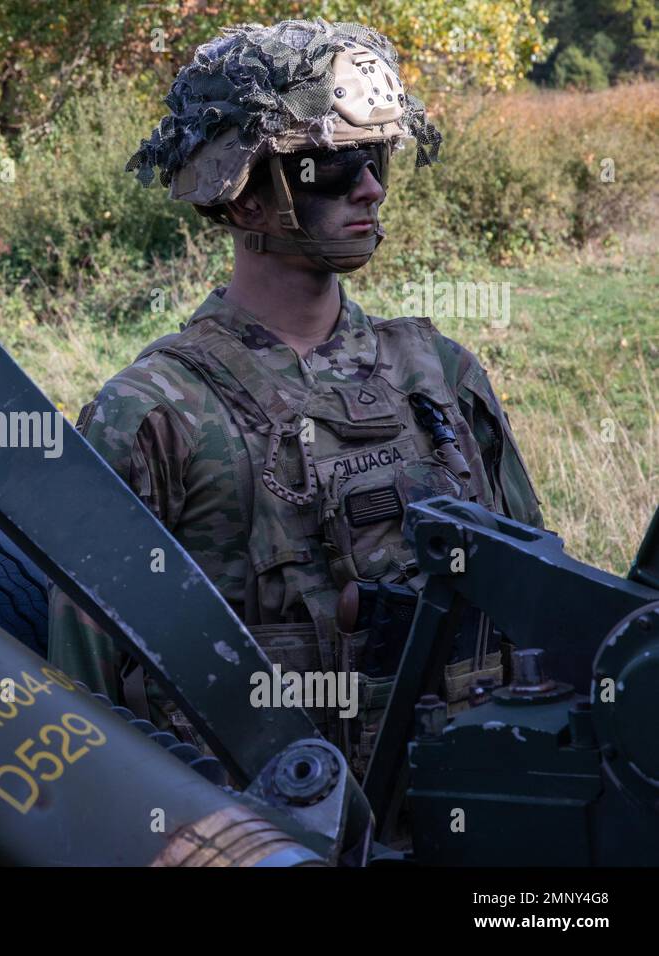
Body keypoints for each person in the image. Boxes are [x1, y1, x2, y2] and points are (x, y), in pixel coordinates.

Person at [47, 18, 543, 776]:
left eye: (375, 157)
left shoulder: (441, 376)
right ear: (244, 197)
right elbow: (81, 711)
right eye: (336, 166)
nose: (371, 187)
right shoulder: (154, 415)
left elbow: (544, 614)